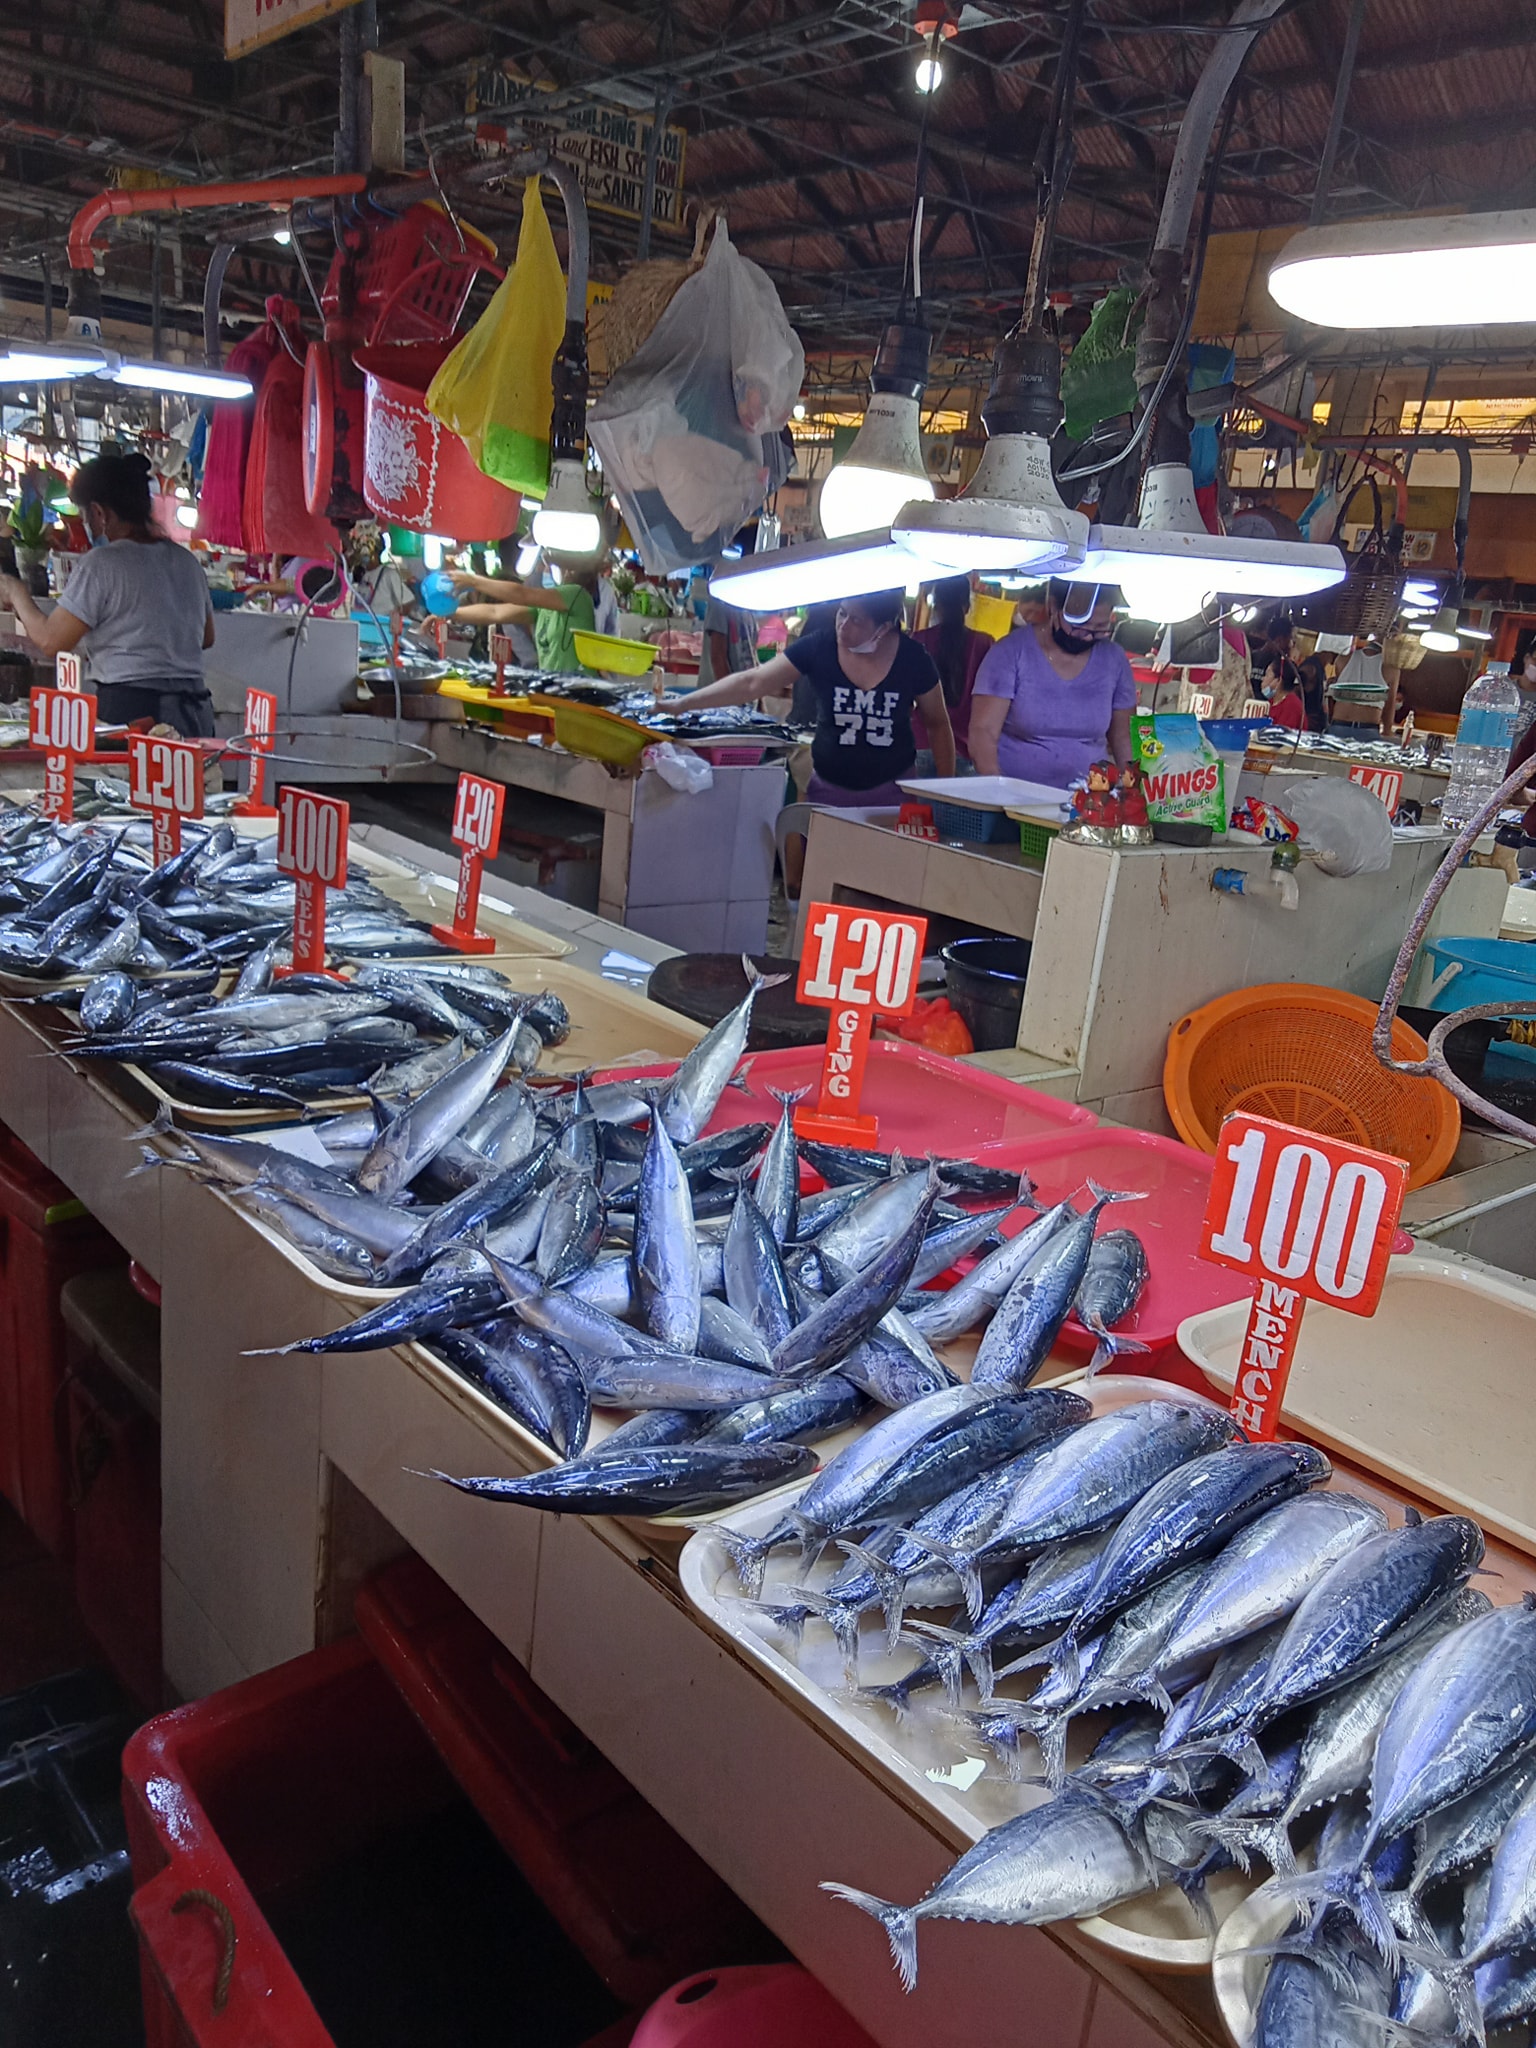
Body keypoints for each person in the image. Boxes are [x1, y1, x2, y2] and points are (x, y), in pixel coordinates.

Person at [0, 451, 216, 737]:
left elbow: (51, 642)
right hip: (194, 713)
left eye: (86, 516)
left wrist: (16, 593)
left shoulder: (102, 563)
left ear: (100, 513)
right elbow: (205, 637)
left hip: (134, 713)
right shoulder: (186, 562)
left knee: (131, 782)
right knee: (191, 782)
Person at [682, 589, 955, 803]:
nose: (843, 625)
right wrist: (682, 705)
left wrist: (946, 793)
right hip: (827, 791)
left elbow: (938, 724)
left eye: (856, 620)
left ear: (883, 627)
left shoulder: (914, 659)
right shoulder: (819, 646)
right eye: (842, 613)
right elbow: (753, 682)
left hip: (892, 796)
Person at [967, 580, 1136, 787]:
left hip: (1089, 800)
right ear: (1054, 607)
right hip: (1015, 797)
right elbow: (983, 732)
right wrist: (997, 788)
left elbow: (1123, 737)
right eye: (1079, 626)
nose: (1088, 636)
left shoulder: (1114, 659)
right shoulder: (1011, 652)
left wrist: (1132, 787)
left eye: (1100, 627)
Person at [450, 559, 602, 673]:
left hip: (579, 692)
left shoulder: (577, 595)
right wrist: (450, 613)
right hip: (555, 692)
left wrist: (473, 581)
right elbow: (495, 612)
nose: (546, 569)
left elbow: (522, 594)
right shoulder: (544, 608)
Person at [911, 574, 990, 769]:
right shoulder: (985, 644)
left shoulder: (917, 641)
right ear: (967, 607)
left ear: (935, 605)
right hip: (964, 750)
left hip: (919, 744)